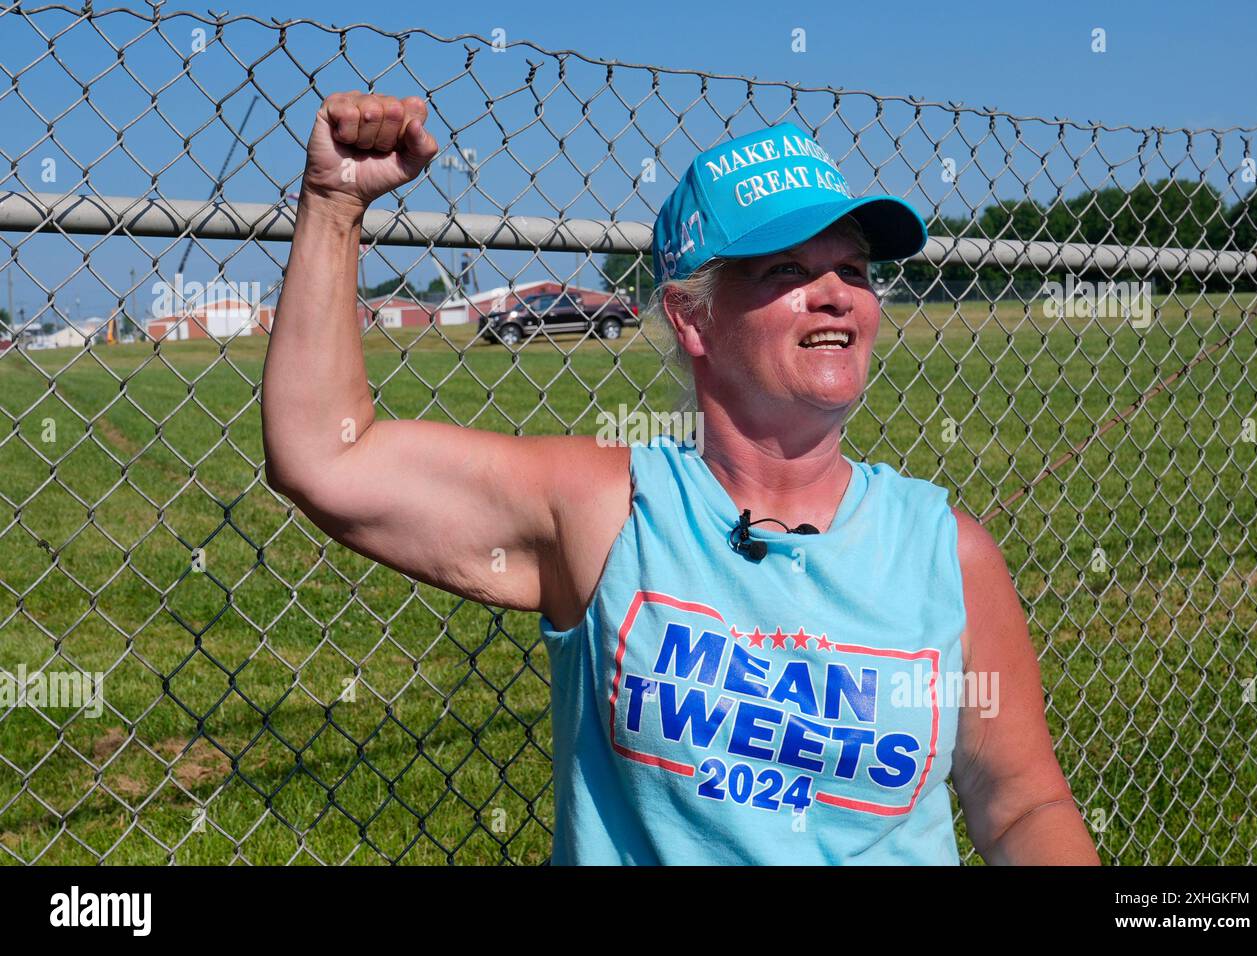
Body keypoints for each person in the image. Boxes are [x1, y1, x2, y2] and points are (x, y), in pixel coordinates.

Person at [262, 91, 1101, 866]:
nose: (837, 296)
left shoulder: (945, 554)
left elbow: (1019, 804)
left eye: (853, 270)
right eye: (787, 272)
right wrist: (336, 206)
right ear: (691, 316)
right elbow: (325, 457)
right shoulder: (610, 513)